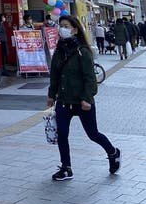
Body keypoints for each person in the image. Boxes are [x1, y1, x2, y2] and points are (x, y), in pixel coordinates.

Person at [47, 14, 120, 182]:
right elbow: (55, 75)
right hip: (64, 101)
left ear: (74, 29)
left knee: (93, 134)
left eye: (65, 26)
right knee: (62, 134)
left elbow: (90, 78)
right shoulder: (59, 50)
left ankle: (113, 152)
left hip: (82, 101)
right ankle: (66, 168)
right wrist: (52, 95)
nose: (62, 29)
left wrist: (87, 98)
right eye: (60, 26)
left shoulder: (83, 51)